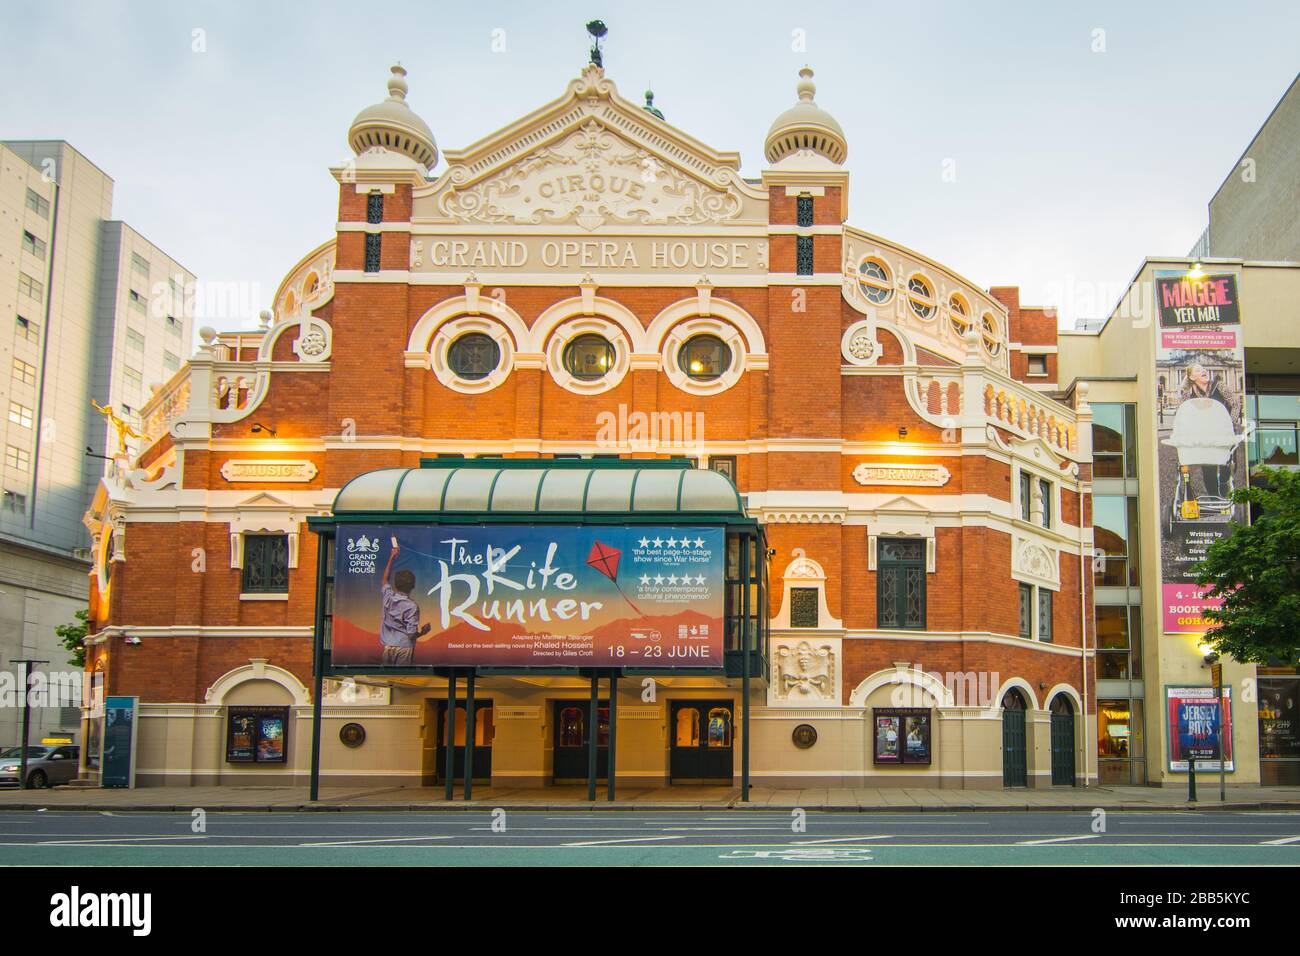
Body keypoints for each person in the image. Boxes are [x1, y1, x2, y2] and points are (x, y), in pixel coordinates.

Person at [1181, 364, 1231, 499]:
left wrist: (1231, 423)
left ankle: (1224, 481)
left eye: (1203, 368)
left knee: (1225, 462)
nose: (1203, 370)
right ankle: (1215, 498)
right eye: (1198, 370)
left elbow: (1235, 404)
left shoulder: (1219, 386)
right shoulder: (1189, 393)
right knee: (1208, 469)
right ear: (1191, 377)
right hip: (1204, 435)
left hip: (1223, 432)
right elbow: (1184, 411)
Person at [379, 541, 431, 666]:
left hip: (388, 646)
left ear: (396, 584)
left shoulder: (388, 597)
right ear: (412, 585)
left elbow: (385, 579)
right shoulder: (412, 607)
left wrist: (392, 557)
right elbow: (411, 634)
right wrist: (423, 632)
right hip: (404, 647)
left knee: (387, 678)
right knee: (401, 677)